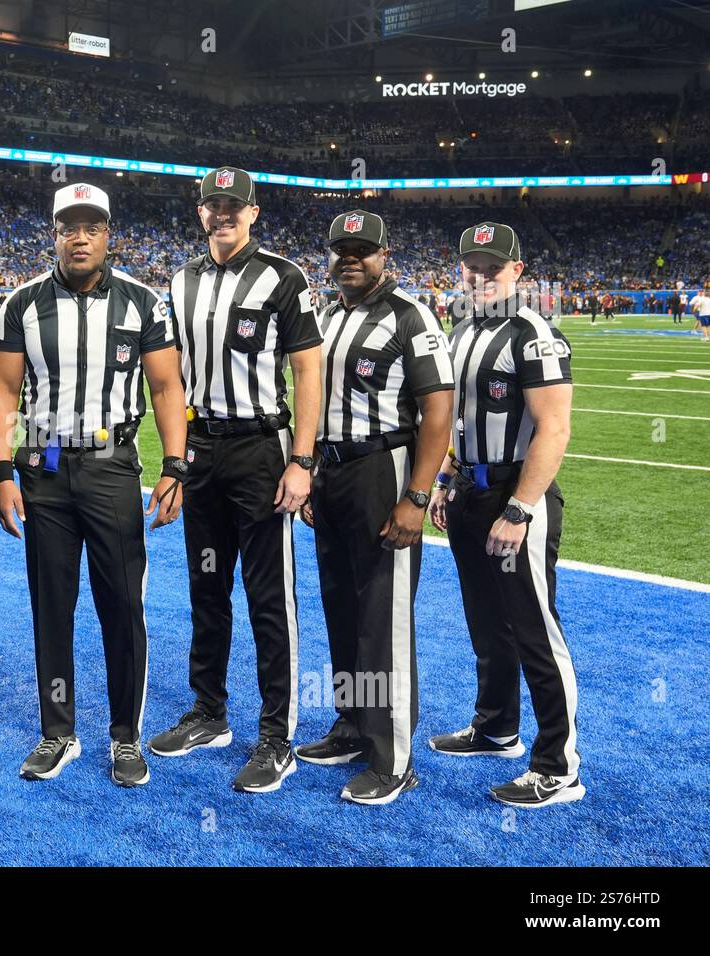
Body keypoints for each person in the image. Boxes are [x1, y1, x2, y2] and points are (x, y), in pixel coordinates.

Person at [0, 182, 188, 787]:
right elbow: (2, 392)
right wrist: (1, 472)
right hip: (43, 464)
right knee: (53, 605)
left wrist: (175, 466)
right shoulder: (20, 304)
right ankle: (58, 731)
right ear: (54, 234)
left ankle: (125, 736)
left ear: (108, 234)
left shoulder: (144, 303)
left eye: (91, 226)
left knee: (122, 605)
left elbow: (166, 390)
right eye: (69, 227)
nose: (80, 237)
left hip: (111, 464)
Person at [147, 166, 323, 794]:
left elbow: (308, 373)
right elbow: (168, 381)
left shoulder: (283, 276)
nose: (222, 215)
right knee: (206, 585)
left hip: (260, 449)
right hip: (202, 449)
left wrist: (302, 460)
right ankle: (209, 712)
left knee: (269, 596)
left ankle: (277, 734)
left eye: (233, 206)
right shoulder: (181, 279)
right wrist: (173, 463)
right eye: (212, 205)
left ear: (254, 212)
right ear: (201, 213)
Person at [296, 211, 454, 805]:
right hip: (332, 471)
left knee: (383, 615)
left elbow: (438, 411)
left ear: (386, 254)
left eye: (363, 250)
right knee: (341, 605)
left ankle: (393, 756)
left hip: (382, 467)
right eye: (341, 249)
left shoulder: (411, 317)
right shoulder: (328, 314)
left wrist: (416, 495)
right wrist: (310, 471)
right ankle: (353, 724)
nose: (350, 259)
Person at [426, 221, 583, 808]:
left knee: (536, 631)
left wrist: (520, 508)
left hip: (517, 495)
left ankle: (558, 766)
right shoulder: (462, 328)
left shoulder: (535, 332)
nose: (481, 275)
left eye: (493, 266)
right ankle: (497, 728)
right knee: (488, 624)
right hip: (468, 489)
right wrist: (445, 478)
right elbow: (454, 421)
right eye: (471, 265)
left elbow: (555, 427)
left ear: (518, 270)